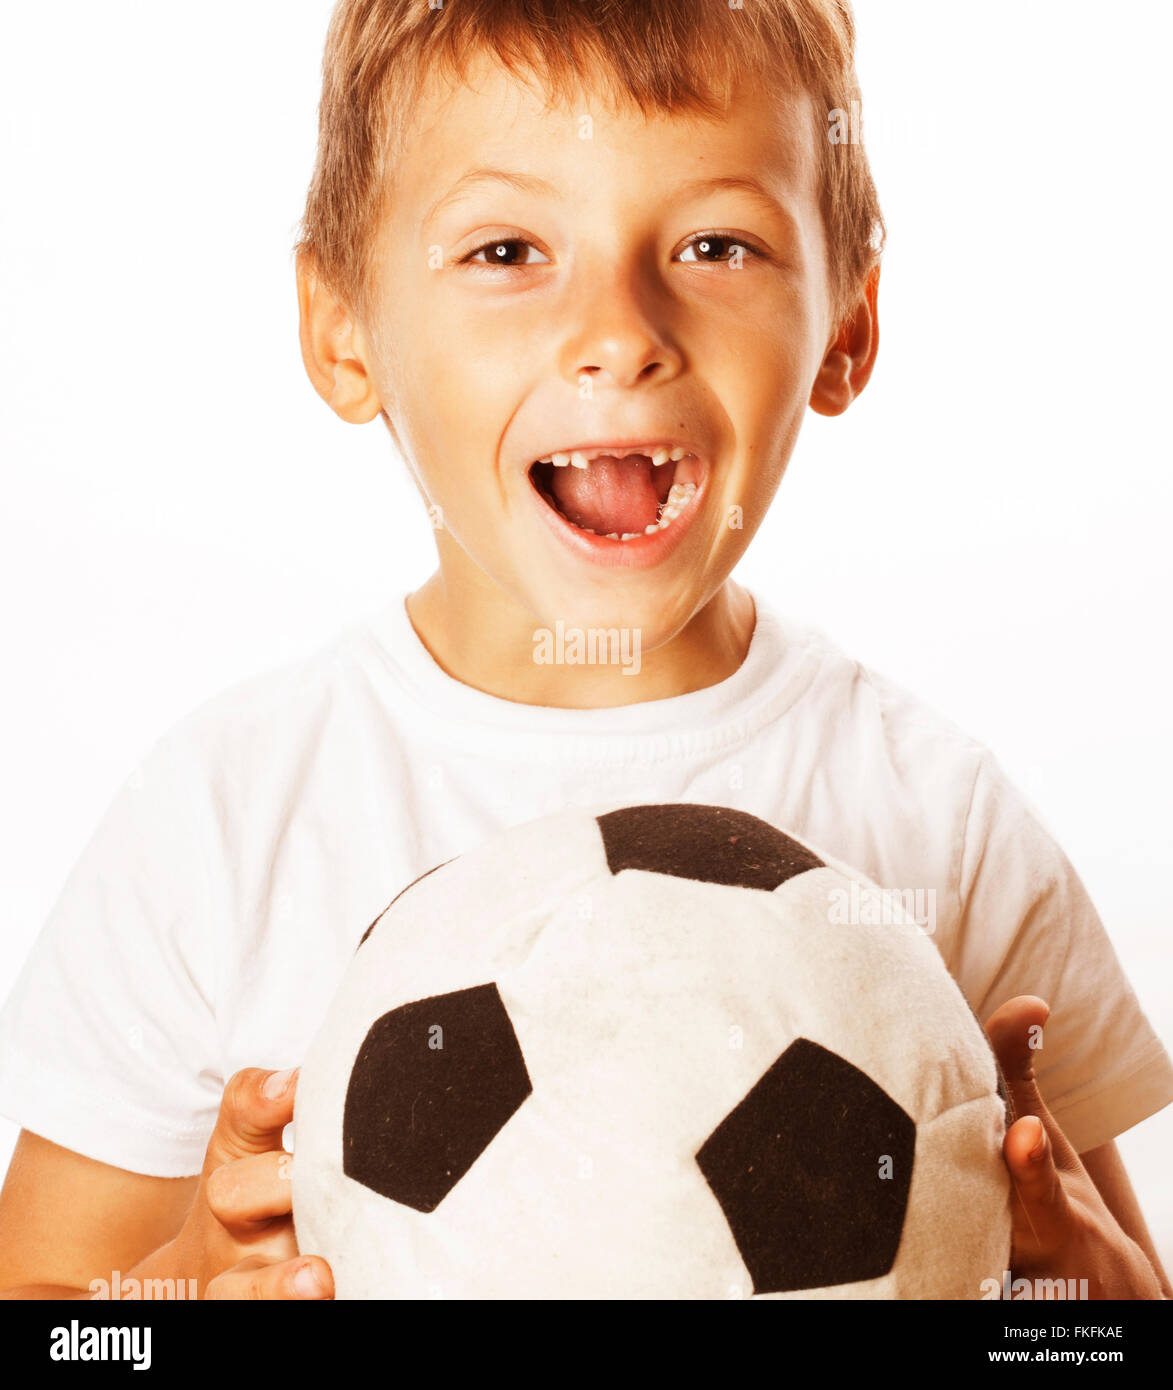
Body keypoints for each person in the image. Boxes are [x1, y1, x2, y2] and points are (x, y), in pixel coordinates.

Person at [0, 0, 1169, 1300]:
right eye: (507, 248)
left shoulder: (941, 825)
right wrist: (180, 1278)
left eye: (715, 243)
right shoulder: (220, 824)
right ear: (341, 326)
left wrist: (1091, 1301)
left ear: (845, 324)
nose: (619, 329)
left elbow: (1105, 1294)